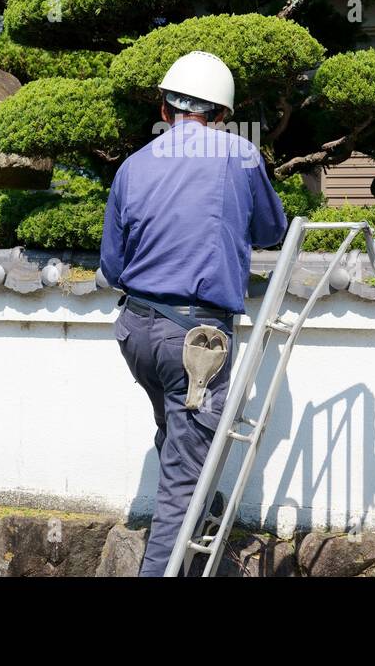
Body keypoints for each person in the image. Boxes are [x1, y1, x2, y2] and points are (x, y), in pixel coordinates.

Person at [99, 50, 288, 576]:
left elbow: (112, 265)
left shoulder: (133, 166)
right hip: (196, 342)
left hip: (135, 332)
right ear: (222, 113)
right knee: (183, 477)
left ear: (164, 108)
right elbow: (273, 231)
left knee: (177, 440)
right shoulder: (240, 156)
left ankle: (199, 525)